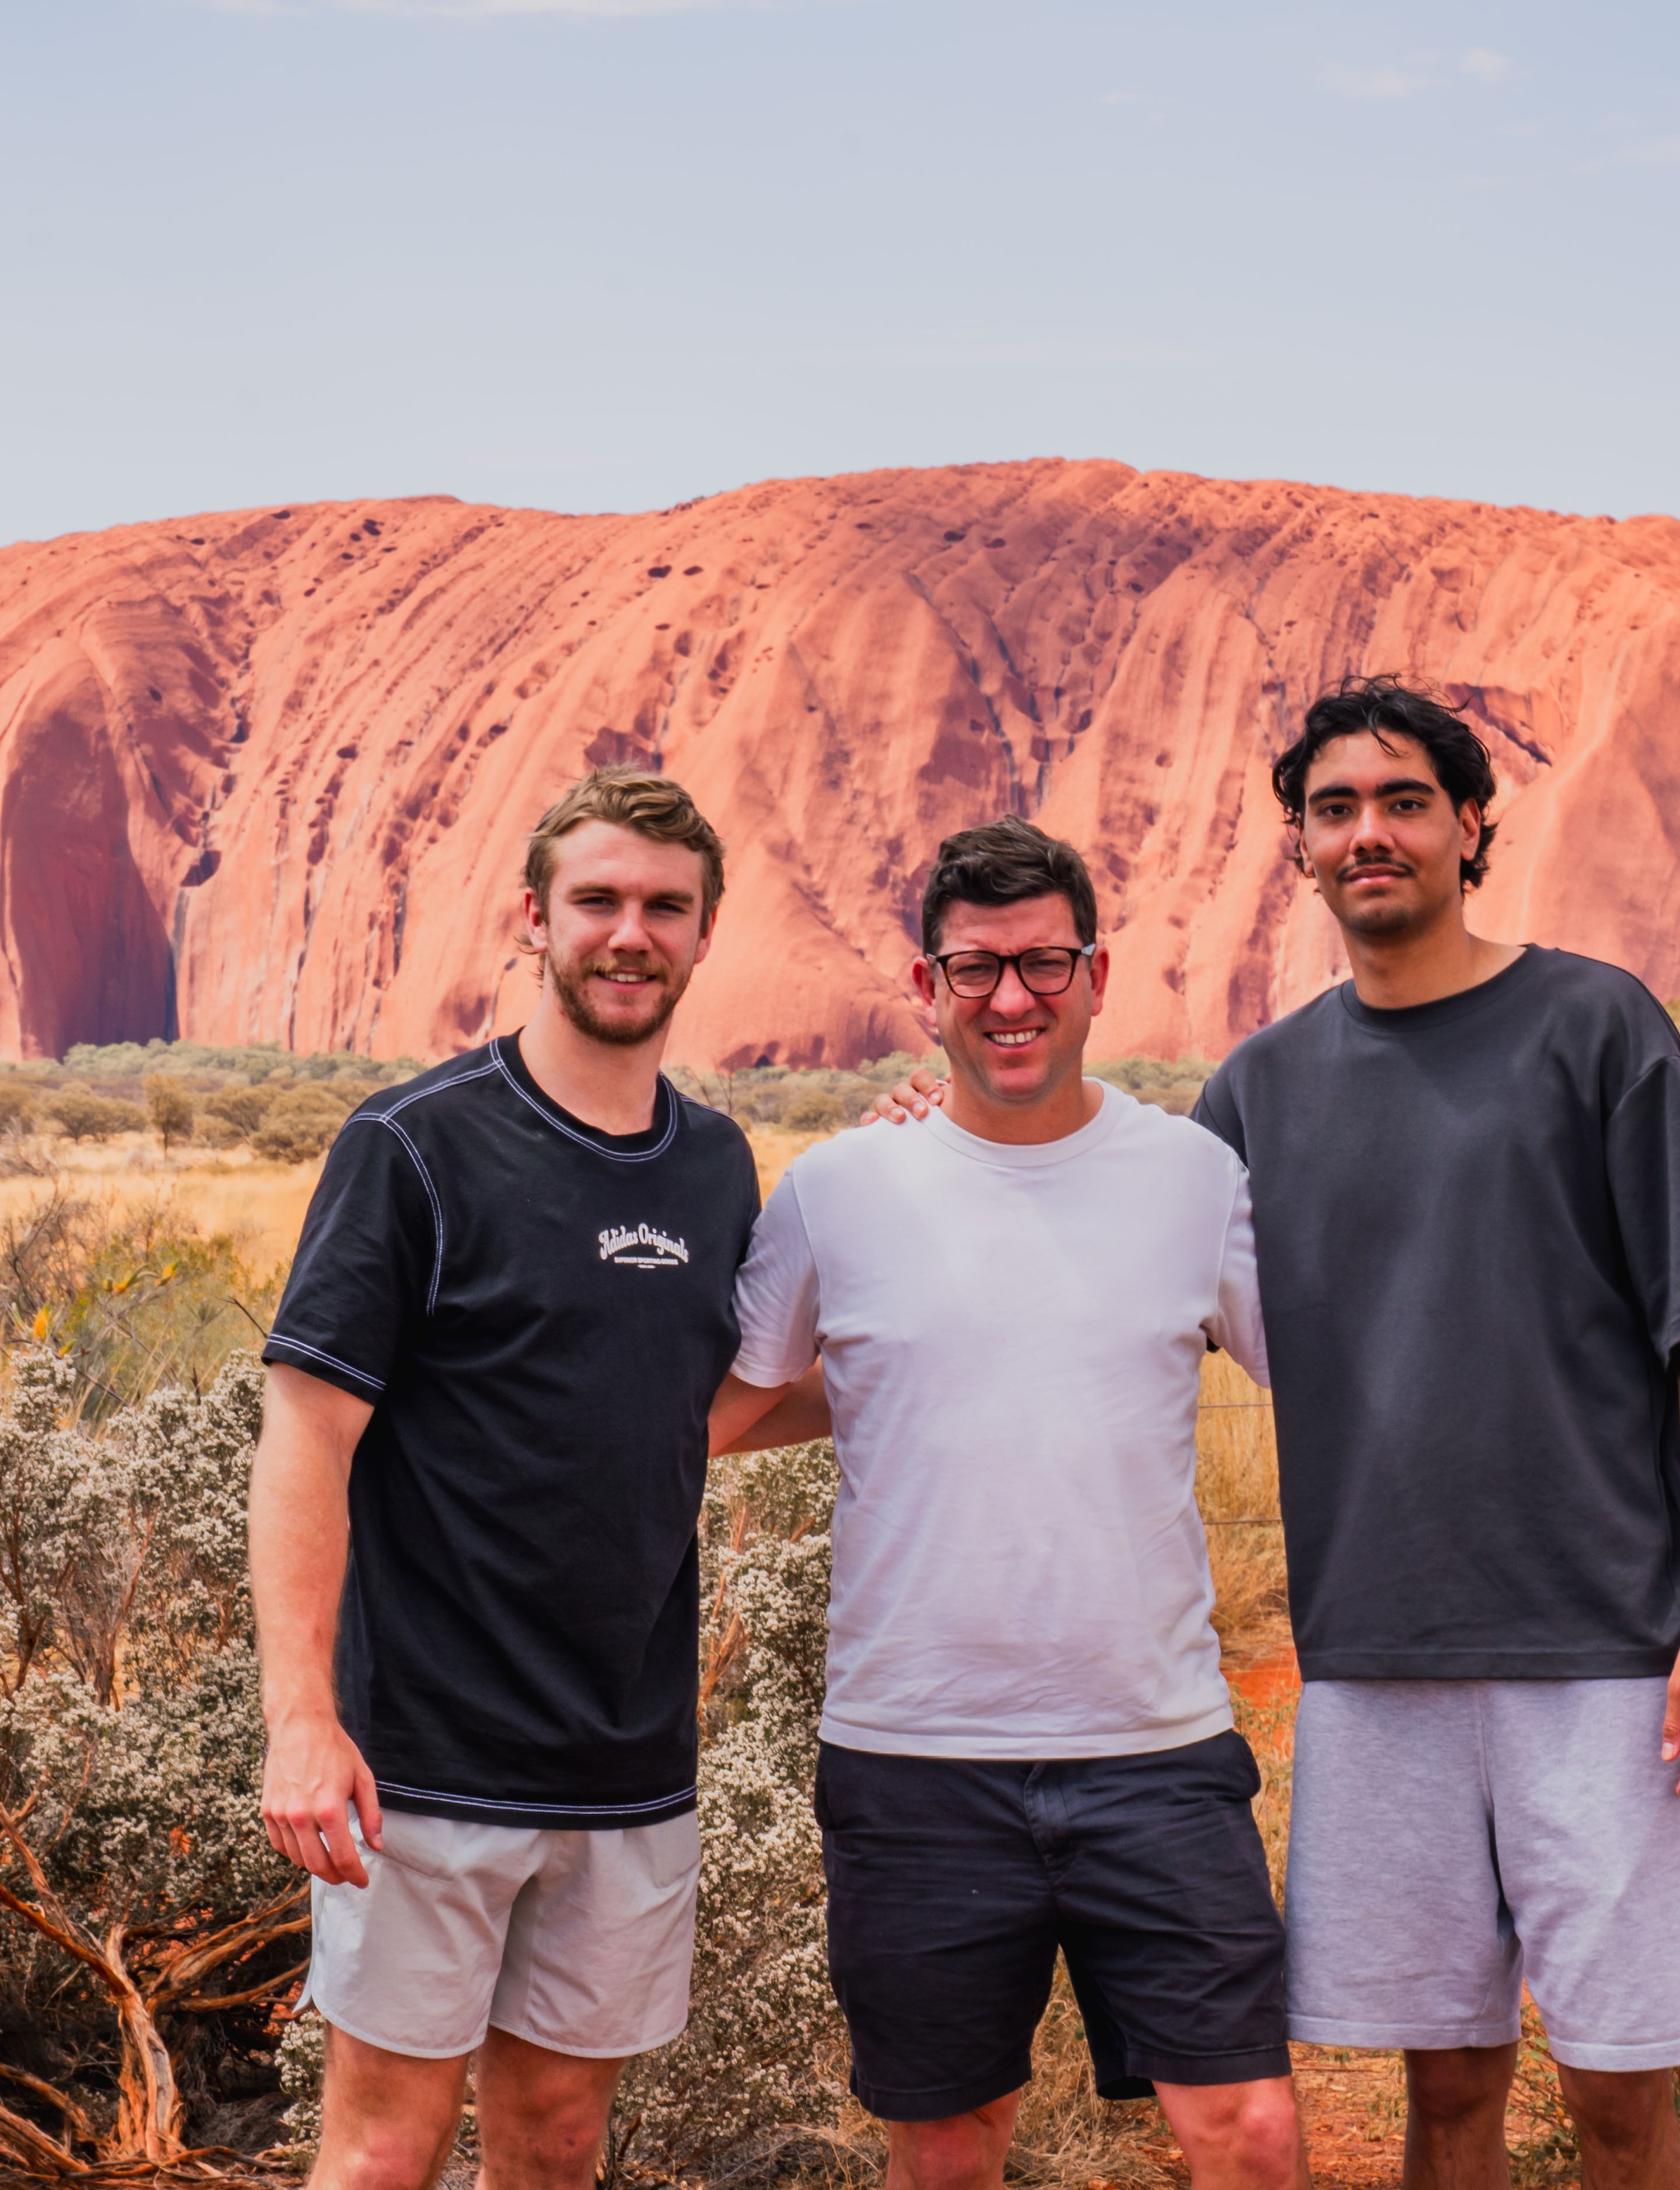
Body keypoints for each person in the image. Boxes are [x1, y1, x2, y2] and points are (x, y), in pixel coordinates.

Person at [1190, 677, 1680, 2190]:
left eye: (1402, 802)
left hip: (1607, 1655)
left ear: (1471, 827)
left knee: (1616, 2101)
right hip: (1378, 1662)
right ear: (1296, 846)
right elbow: (1111, 1286)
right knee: (1443, 2094)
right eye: (1334, 808)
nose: (1367, 832)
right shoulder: (1254, 1090)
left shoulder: (1593, 1023)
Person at [707, 817, 1307, 2190]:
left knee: (1251, 2127)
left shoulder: (1193, 1180)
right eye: (975, 969)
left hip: (1154, 1749)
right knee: (950, 2140)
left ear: (1097, 974)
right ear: (926, 990)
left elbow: (1335, 1386)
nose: (1013, 998)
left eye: (1043, 962)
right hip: (913, 1754)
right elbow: (723, 1414)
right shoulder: (839, 1190)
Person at [251, 768, 762, 2190]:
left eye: (665, 905)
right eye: (596, 899)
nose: (629, 931)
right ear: (532, 918)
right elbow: (306, 1438)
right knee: (378, 2151)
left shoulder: (716, 1163)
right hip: (424, 1760)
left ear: (706, 933)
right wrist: (302, 1719)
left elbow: (693, 1405)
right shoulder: (415, 1145)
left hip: (627, 1759)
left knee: (557, 2140)